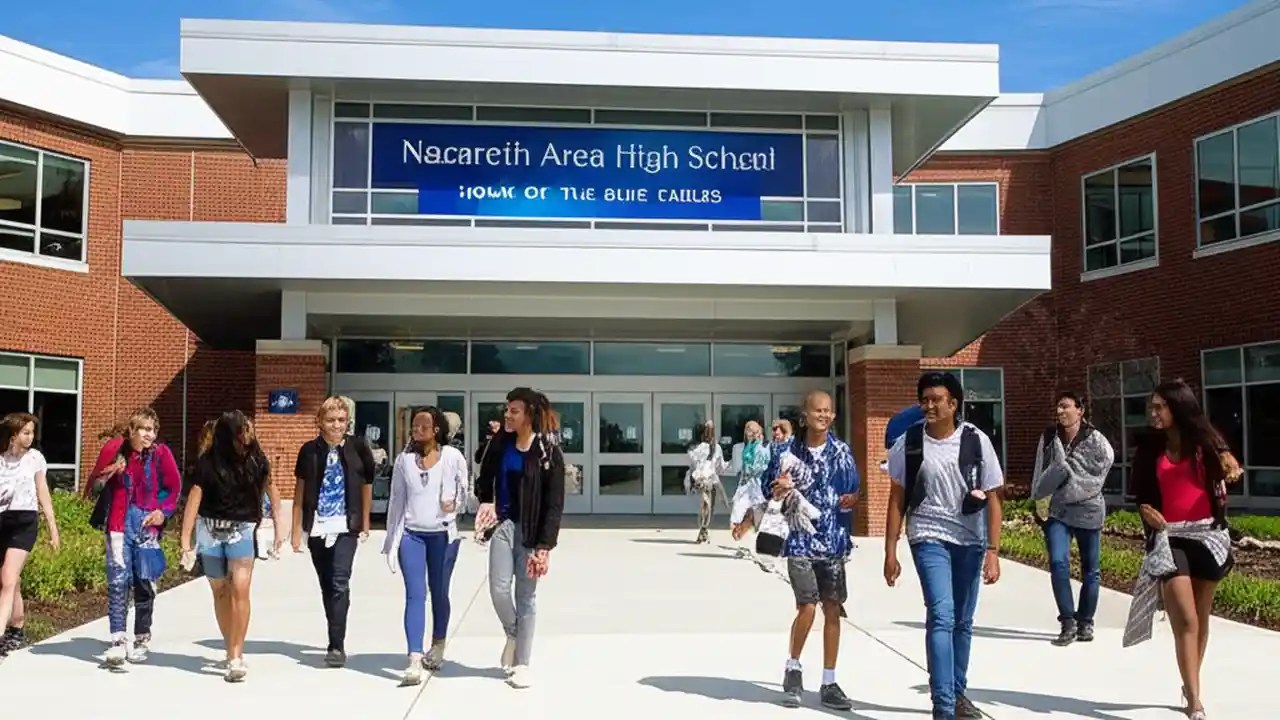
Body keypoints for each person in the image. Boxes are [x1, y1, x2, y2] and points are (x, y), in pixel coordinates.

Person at [883, 372, 1004, 720]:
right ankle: (943, 706)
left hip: (970, 539)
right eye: (925, 399)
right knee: (942, 614)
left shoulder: (977, 440)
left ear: (954, 403)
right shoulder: (908, 442)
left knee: (963, 621)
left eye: (937, 399)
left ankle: (957, 692)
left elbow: (995, 498)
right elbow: (897, 498)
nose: (930, 405)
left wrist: (993, 551)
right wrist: (890, 551)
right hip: (928, 534)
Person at [1122, 380, 1242, 720]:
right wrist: (1145, 510)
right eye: (1152, 406)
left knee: (1201, 620)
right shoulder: (1149, 449)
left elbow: (1224, 457)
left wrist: (1229, 462)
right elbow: (1141, 496)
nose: (1153, 412)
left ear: (1178, 407)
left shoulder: (1204, 442)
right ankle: (1194, 701)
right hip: (1170, 538)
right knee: (1185, 619)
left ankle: (1190, 685)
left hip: (1208, 535)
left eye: (1160, 406)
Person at [761, 390, 859, 710]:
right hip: (799, 540)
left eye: (828, 411)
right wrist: (779, 487)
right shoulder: (785, 451)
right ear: (805, 414)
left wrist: (851, 501)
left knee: (832, 608)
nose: (824, 416)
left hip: (832, 542)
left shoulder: (842, 452)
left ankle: (829, 682)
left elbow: (852, 491)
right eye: (818, 410)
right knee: (807, 607)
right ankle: (793, 669)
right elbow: (767, 489)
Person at [179, 410, 284, 681]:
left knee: (240, 589)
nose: (247, 435)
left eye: (249, 430)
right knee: (220, 591)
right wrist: (185, 541)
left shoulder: (257, 461)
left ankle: (236, 654)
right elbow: (194, 498)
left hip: (242, 531)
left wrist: (279, 528)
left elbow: (272, 491)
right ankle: (230, 645)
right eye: (242, 430)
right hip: (210, 532)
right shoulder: (208, 463)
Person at [473, 387, 565, 689]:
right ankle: (514, 633)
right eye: (507, 410)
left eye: (514, 410)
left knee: (526, 597)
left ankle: (522, 663)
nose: (507, 415)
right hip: (504, 526)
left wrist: (544, 547)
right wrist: (486, 500)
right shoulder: (501, 443)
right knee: (499, 589)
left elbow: (554, 504)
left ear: (529, 414)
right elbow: (484, 477)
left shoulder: (548, 453)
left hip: (533, 532)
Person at [87, 407, 183, 667]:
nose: (147, 435)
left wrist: (162, 512)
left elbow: (173, 487)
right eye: (142, 429)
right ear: (131, 430)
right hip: (118, 524)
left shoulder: (161, 454)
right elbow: (93, 487)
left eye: (152, 430)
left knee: (144, 581)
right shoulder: (115, 449)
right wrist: (111, 471)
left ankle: (141, 637)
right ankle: (118, 640)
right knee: (118, 581)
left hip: (147, 526)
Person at [383, 406, 469, 685]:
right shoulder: (403, 461)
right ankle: (414, 658)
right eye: (414, 426)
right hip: (412, 535)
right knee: (415, 594)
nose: (417, 430)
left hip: (443, 536)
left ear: (436, 430)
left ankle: (438, 645)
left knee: (440, 592)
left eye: (423, 426)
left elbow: (465, 493)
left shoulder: (453, 457)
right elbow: (396, 500)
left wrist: (453, 504)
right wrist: (390, 538)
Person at [291, 395, 376, 669]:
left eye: (341, 420)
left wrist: (364, 523)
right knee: (327, 583)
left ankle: (336, 645)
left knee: (340, 580)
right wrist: (296, 531)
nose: (336, 425)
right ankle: (334, 628)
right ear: (319, 422)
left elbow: (367, 485)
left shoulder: (359, 448)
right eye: (331, 420)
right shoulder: (308, 451)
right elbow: (299, 493)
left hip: (345, 525)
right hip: (317, 525)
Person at [1030, 391, 1114, 646]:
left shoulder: (1095, 439)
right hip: (1059, 511)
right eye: (1058, 407)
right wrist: (1040, 495)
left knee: (1091, 570)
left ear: (1080, 411)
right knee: (1058, 563)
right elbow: (1040, 470)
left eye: (1066, 406)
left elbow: (1104, 465)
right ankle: (1067, 621)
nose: (1060, 411)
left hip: (1088, 509)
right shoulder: (1049, 437)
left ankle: (1085, 621)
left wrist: (1073, 479)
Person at [0, 413, 61, 659]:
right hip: (2, 520)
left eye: (32, 432)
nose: (30, 437)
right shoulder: (1, 459)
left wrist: (53, 528)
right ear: (13, 434)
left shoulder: (35, 459)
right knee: (9, 581)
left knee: (8, 578)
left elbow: (43, 493)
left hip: (25, 523)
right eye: (25, 432)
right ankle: (17, 627)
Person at [685, 421, 728, 544]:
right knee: (709, 506)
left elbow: (692, 465)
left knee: (702, 506)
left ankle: (702, 530)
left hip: (697, 480)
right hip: (710, 480)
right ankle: (704, 529)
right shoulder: (715, 448)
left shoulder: (693, 448)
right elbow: (720, 467)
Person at [730, 420, 771, 541]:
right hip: (746, 484)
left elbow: (763, 465)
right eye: (747, 430)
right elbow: (741, 466)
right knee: (739, 510)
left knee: (757, 511)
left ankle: (752, 535)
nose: (749, 433)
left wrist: (751, 470)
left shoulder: (762, 447)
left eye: (751, 430)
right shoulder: (746, 447)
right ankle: (740, 530)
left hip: (757, 484)